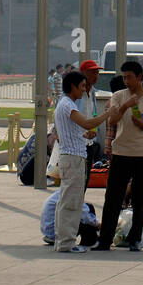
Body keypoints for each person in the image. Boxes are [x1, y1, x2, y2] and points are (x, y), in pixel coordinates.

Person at [94, 60, 143, 253]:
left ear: (139, 77)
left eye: (129, 77)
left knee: (140, 199)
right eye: (124, 77)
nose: (126, 81)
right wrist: (126, 105)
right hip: (120, 153)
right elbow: (113, 120)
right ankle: (105, 239)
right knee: (112, 198)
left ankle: (135, 238)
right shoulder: (118, 96)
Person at [53, 70, 111, 253]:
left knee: (69, 200)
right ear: (73, 87)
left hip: (73, 156)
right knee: (71, 202)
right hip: (73, 158)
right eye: (82, 86)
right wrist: (107, 115)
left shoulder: (66, 104)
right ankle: (66, 242)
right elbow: (86, 122)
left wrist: (85, 135)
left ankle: (63, 240)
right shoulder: (67, 105)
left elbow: (74, 130)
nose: (84, 90)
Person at [77, 59, 104, 189]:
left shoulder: (92, 92)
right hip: (76, 144)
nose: (96, 76)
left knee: (85, 180)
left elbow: (92, 114)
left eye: (97, 73)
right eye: (93, 72)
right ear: (84, 73)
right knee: (75, 182)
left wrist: (93, 131)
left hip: (89, 143)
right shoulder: (75, 95)